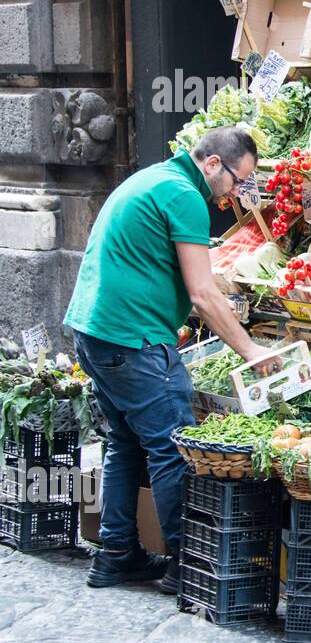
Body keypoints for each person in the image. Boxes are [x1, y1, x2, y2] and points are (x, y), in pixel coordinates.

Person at [64, 127, 272, 592]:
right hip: (131, 340)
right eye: (239, 180)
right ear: (213, 164)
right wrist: (252, 349)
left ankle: (116, 555)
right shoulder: (184, 196)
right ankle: (187, 564)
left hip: (94, 331)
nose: (239, 192)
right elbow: (203, 292)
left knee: (125, 441)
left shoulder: (155, 178)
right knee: (173, 448)